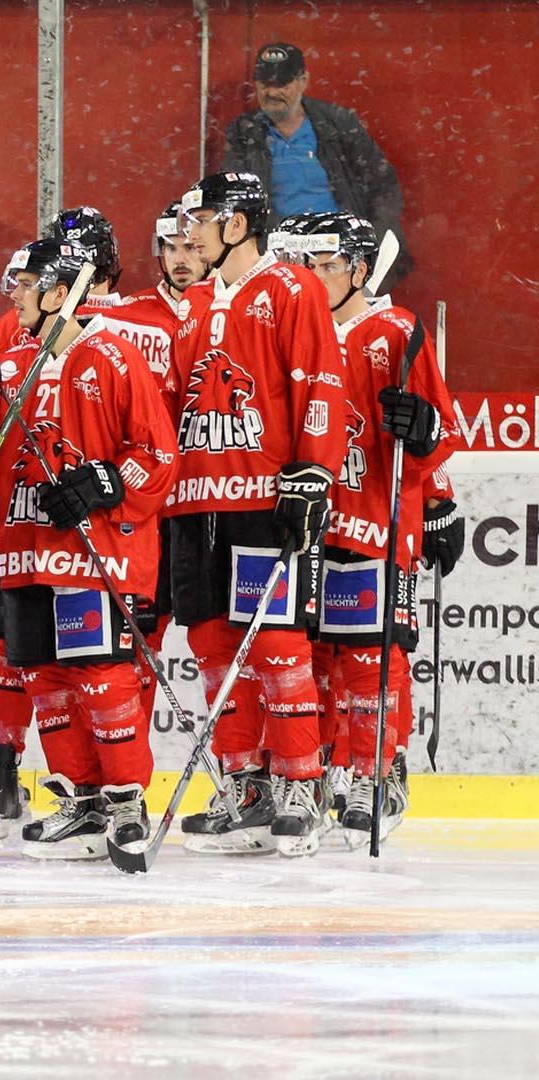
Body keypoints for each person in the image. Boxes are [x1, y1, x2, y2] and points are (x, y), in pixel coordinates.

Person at [166, 171, 349, 859]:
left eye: (203, 219)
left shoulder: (292, 288)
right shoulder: (196, 300)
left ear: (238, 224)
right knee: (214, 649)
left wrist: (313, 472)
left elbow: (321, 379)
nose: (191, 233)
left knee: (274, 646)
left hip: (260, 496)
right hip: (196, 497)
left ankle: (301, 782)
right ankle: (244, 784)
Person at [0, 238, 178, 860]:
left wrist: (104, 482)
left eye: (27, 284)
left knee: (100, 677)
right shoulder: (10, 365)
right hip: (24, 550)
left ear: (59, 292)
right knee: (45, 681)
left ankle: (126, 799)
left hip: (95, 555)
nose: (15, 295)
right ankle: (83, 797)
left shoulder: (114, 356)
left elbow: (158, 456)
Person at [285, 212, 456, 841]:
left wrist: (425, 442)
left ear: (360, 270)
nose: (311, 277)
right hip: (304, 522)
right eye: (303, 265)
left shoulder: (396, 331)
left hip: (373, 522)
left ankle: (376, 770)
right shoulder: (292, 330)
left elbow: (442, 434)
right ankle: (324, 768)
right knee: (312, 659)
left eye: (325, 265)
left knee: (370, 655)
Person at [222, 43, 407, 276]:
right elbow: (233, 203)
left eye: (282, 84)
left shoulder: (339, 125)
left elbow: (383, 186)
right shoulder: (243, 133)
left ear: (303, 81)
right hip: (274, 261)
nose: (272, 92)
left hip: (344, 257)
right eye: (265, 84)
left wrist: (371, 247)